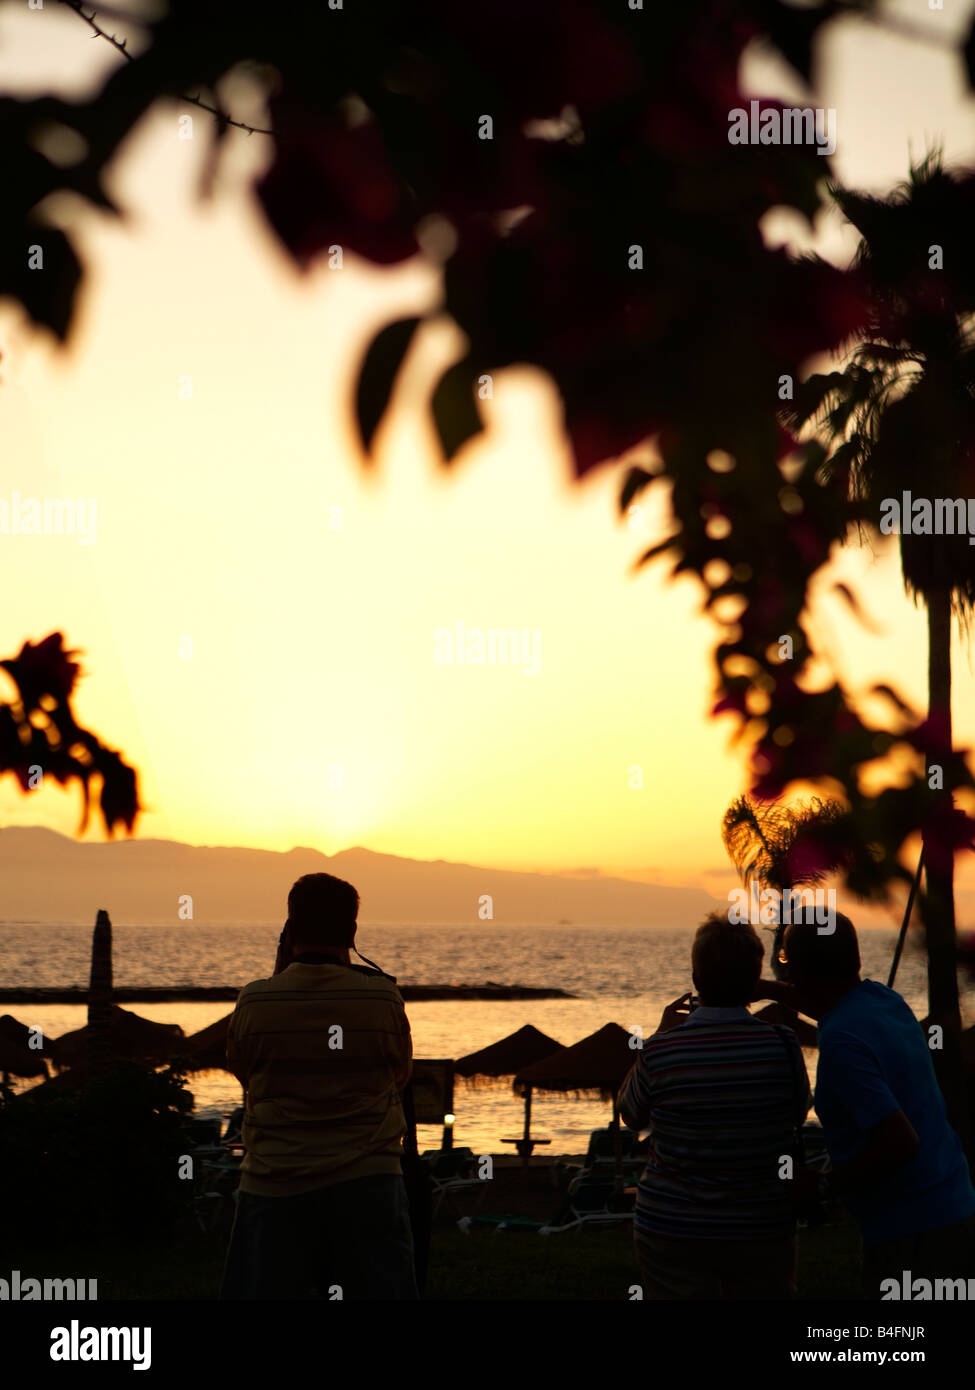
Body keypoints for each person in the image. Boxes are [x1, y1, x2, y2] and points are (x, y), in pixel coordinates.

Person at [220, 872, 419, 1299]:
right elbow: (399, 1076)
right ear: (351, 932)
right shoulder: (383, 999)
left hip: (274, 1182)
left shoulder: (254, 1001)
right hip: (369, 1181)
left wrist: (279, 976)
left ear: (289, 929)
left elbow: (247, 1076)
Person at [761, 912, 975, 1298]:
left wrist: (825, 1185)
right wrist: (763, 989)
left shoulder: (843, 1042)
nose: (785, 975)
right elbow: (824, 997)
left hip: (913, 1234)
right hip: (954, 1205)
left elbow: (899, 1142)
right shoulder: (882, 1000)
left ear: (804, 973)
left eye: (787, 963)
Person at [618, 912, 811, 1299]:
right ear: (754, 980)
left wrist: (658, 1035)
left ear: (695, 979)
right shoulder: (782, 1044)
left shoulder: (660, 1050)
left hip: (672, 1225)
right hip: (759, 1223)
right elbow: (796, 1113)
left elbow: (630, 1114)